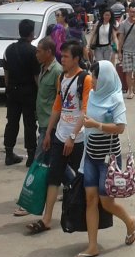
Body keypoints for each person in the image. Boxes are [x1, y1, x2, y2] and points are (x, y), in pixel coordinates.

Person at [73, 60, 135, 257]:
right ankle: (92, 246)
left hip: (108, 158)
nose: (91, 80)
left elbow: (120, 128)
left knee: (106, 202)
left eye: (95, 76)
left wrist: (97, 125)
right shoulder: (93, 94)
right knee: (90, 200)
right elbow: (85, 115)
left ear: (104, 79)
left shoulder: (116, 99)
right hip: (91, 154)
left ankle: (130, 222)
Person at [27, 40, 91, 232]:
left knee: (84, 180)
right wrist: (48, 132)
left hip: (78, 139)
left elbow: (85, 111)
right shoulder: (62, 77)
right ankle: (46, 219)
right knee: (53, 177)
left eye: (65, 56)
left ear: (76, 59)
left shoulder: (85, 79)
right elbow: (58, 106)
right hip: (60, 135)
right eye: (61, 56)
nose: (61, 59)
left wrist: (73, 136)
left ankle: (89, 215)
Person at [3, 19, 39, 166]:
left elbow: (6, 73)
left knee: (12, 122)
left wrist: (8, 88)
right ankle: (31, 157)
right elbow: (37, 77)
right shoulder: (33, 52)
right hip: (29, 91)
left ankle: (9, 154)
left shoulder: (9, 49)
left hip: (12, 91)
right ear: (32, 34)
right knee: (30, 124)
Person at [117, 5, 135, 99]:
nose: (132, 14)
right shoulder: (123, 23)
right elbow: (120, 38)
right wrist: (119, 52)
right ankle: (130, 90)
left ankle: (134, 84)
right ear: (128, 12)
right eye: (131, 11)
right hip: (126, 50)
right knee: (128, 72)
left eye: (134, 12)